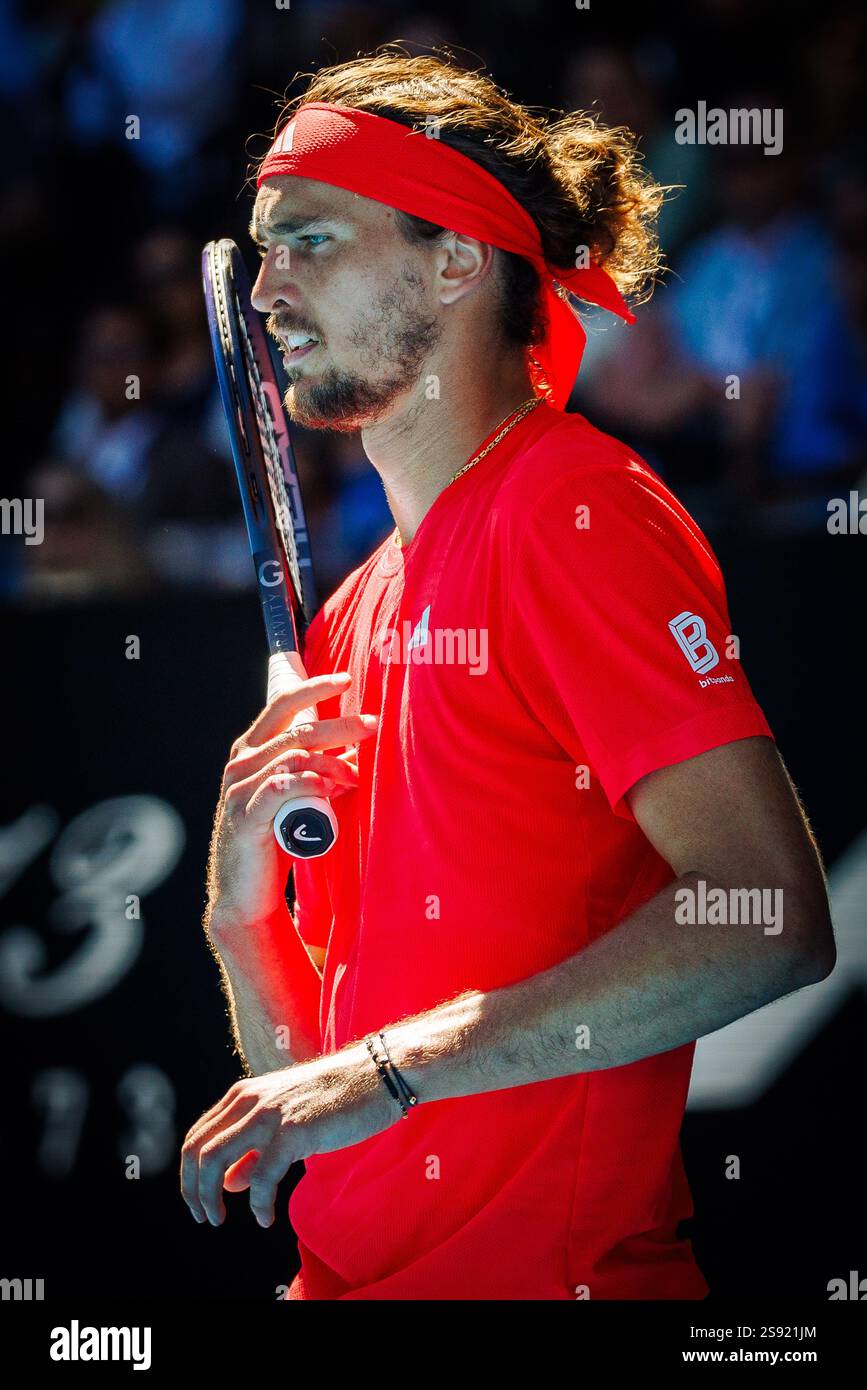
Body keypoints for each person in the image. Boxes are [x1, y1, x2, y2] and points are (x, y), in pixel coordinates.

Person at [180, 50, 836, 1301]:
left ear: (456, 260)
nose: (265, 291)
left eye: (310, 242)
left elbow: (770, 915)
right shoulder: (357, 609)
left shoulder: (570, 511)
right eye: (263, 251)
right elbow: (309, 1114)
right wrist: (243, 920)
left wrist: (378, 1071)